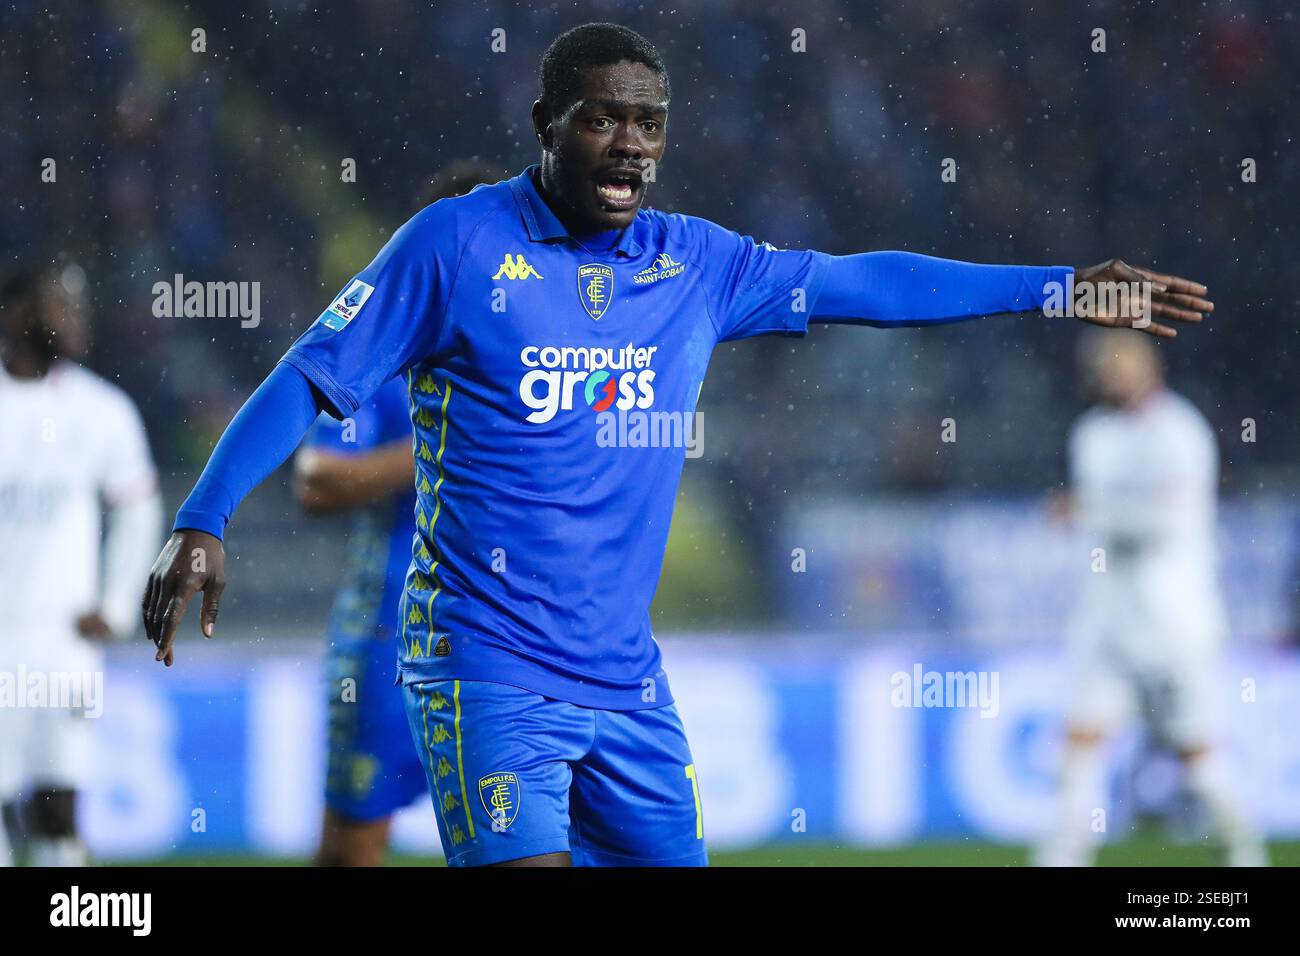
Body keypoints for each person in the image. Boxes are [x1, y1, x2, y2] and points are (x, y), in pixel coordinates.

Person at [141, 23, 1213, 867]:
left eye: (649, 122)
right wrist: (202, 514)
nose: (633, 145)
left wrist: (1060, 286)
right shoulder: (456, 242)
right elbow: (311, 376)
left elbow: (864, 281)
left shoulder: (696, 263)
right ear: (545, 122)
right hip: (484, 661)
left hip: (624, 677)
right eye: (605, 120)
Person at [295, 164, 503, 866]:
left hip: (506, 642)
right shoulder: (384, 349)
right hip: (389, 636)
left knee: (522, 841)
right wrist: (448, 440)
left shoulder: (531, 356)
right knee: (354, 848)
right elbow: (317, 481)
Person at [1036, 332, 1264, 867]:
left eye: (1114, 366)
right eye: (1098, 367)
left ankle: (1243, 848)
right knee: (1079, 740)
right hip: (1109, 619)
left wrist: (1088, 510)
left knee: (1197, 755)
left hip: (1174, 622)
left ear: (1147, 368)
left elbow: (1170, 522)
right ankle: (1067, 851)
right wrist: (1091, 514)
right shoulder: (1092, 431)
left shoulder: (1180, 432)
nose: (1104, 376)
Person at [0, 265, 162, 866]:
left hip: (63, 640)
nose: (76, 318)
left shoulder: (101, 410)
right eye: (59, 305)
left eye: (77, 304)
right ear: (17, 315)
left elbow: (139, 512)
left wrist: (117, 603)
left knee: (58, 807)